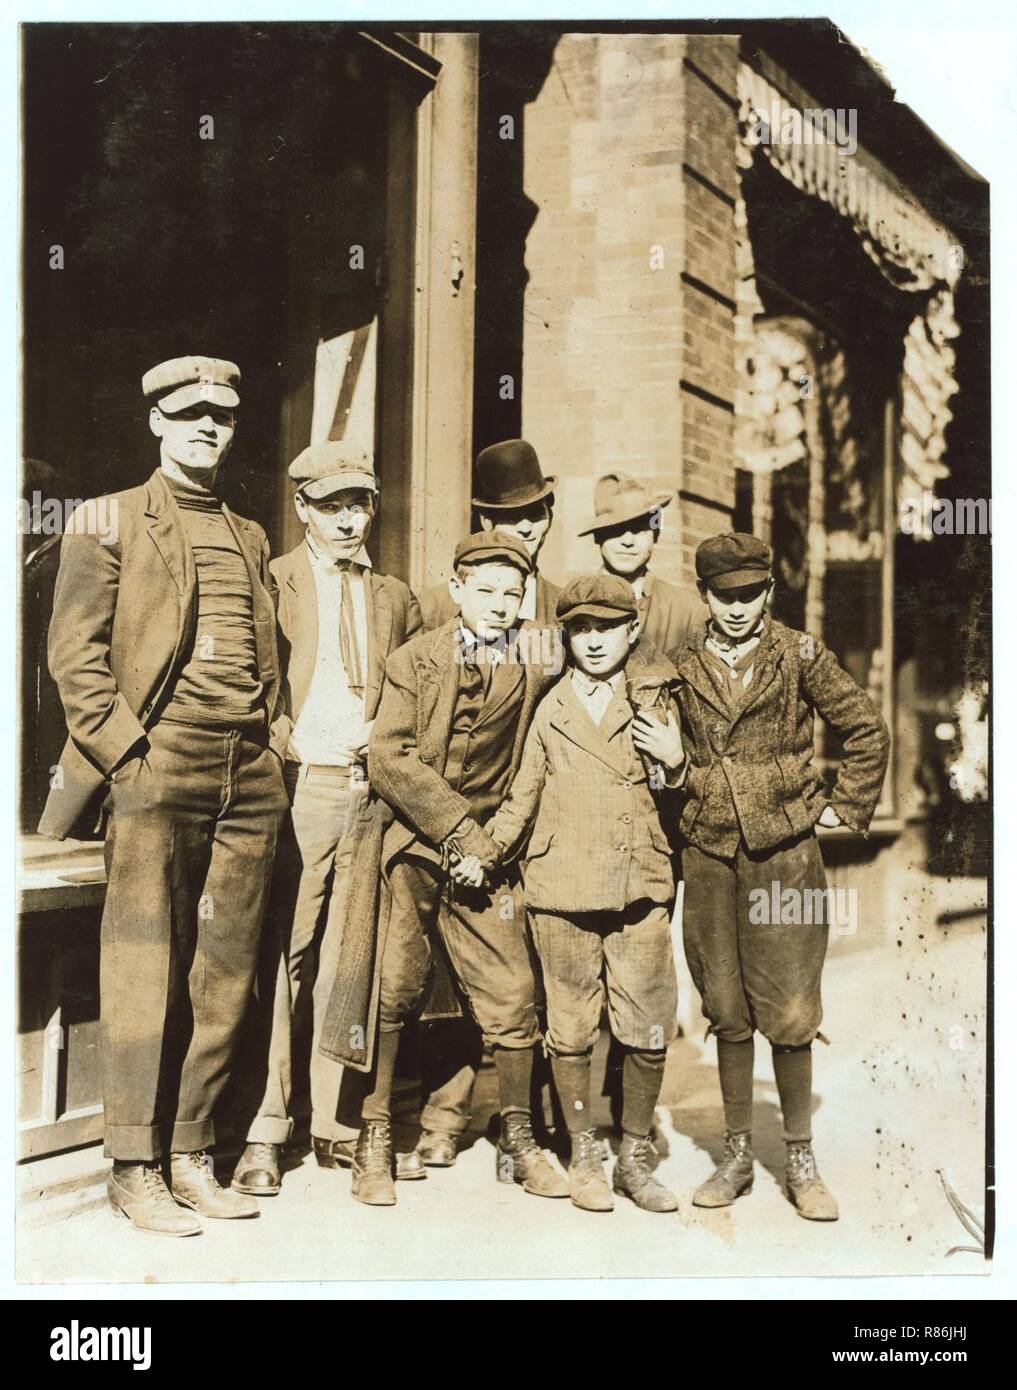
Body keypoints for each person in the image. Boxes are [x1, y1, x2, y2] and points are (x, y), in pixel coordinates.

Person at [40, 357, 289, 1236]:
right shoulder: (106, 520)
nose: (207, 429)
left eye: (221, 415)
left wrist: (274, 741)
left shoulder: (250, 532)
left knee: (224, 973)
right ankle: (133, 1164)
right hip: (158, 763)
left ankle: (192, 1152)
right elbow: (75, 656)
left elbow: (270, 655)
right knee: (146, 963)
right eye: (187, 414)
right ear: (155, 421)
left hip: (247, 772)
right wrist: (127, 754)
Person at [340, 530, 569, 1206]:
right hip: (415, 845)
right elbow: (389, 756)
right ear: (456, 587)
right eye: (487, 591)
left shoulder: (535, 656)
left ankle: (520, 1137)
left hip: (490, 857)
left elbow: (608, 659)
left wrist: (485, 847)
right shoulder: (414, 660)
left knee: (512, 991)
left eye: (513, 593)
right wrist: (458, 832)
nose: (500, 605)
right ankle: (373, 1137)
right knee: (395, 985)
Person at [670, 532, 890, 1221]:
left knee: (791, 1011)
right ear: (703, 596)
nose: (736, 609)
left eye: (750, 594)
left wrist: (841, 807)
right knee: (726, 1008)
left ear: (769, 592)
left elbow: (864, 729)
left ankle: (799, 1155)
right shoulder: (679, 666)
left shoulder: (798, 653)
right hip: (707, 854)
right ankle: (736, 1154)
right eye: (722, 596)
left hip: (785, 858)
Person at [231, 441, 427, 1197]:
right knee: (284, 957)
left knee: (352, 961)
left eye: (360, 503)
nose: (349, 520)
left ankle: (333, 1123)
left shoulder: (394, 598)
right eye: (332, 505)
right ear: (303, 509)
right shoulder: (272, 580)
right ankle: (264, 1129)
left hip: (368, 794)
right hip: (299, 790)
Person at [489, 575, 686, 1213]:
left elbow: (678, 792)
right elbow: (522, 795)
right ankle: (585, 1152)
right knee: (570, 1027)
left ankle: (633, 1153)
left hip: (639, 888)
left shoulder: (656, 701)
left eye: (608, 628)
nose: (595, 641)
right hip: (563, 888)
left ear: (633, 632)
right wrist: (484, 851)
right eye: (581, 628)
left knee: (649, 1022)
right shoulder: (550, 707)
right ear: (565, 636)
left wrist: (677, 762)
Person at [418, 440, 561, 629]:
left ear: (549, 517)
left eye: (536, 513)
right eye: (512, 516)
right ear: (487, 522)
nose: (526, 528)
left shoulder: (563, 605)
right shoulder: (435, 606)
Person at [580, 472, 700, 656]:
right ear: (598, 535)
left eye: (639, 529)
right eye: (616, 528)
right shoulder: (573, 603)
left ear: (656, 535)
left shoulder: (687, 611)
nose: (628, 541)